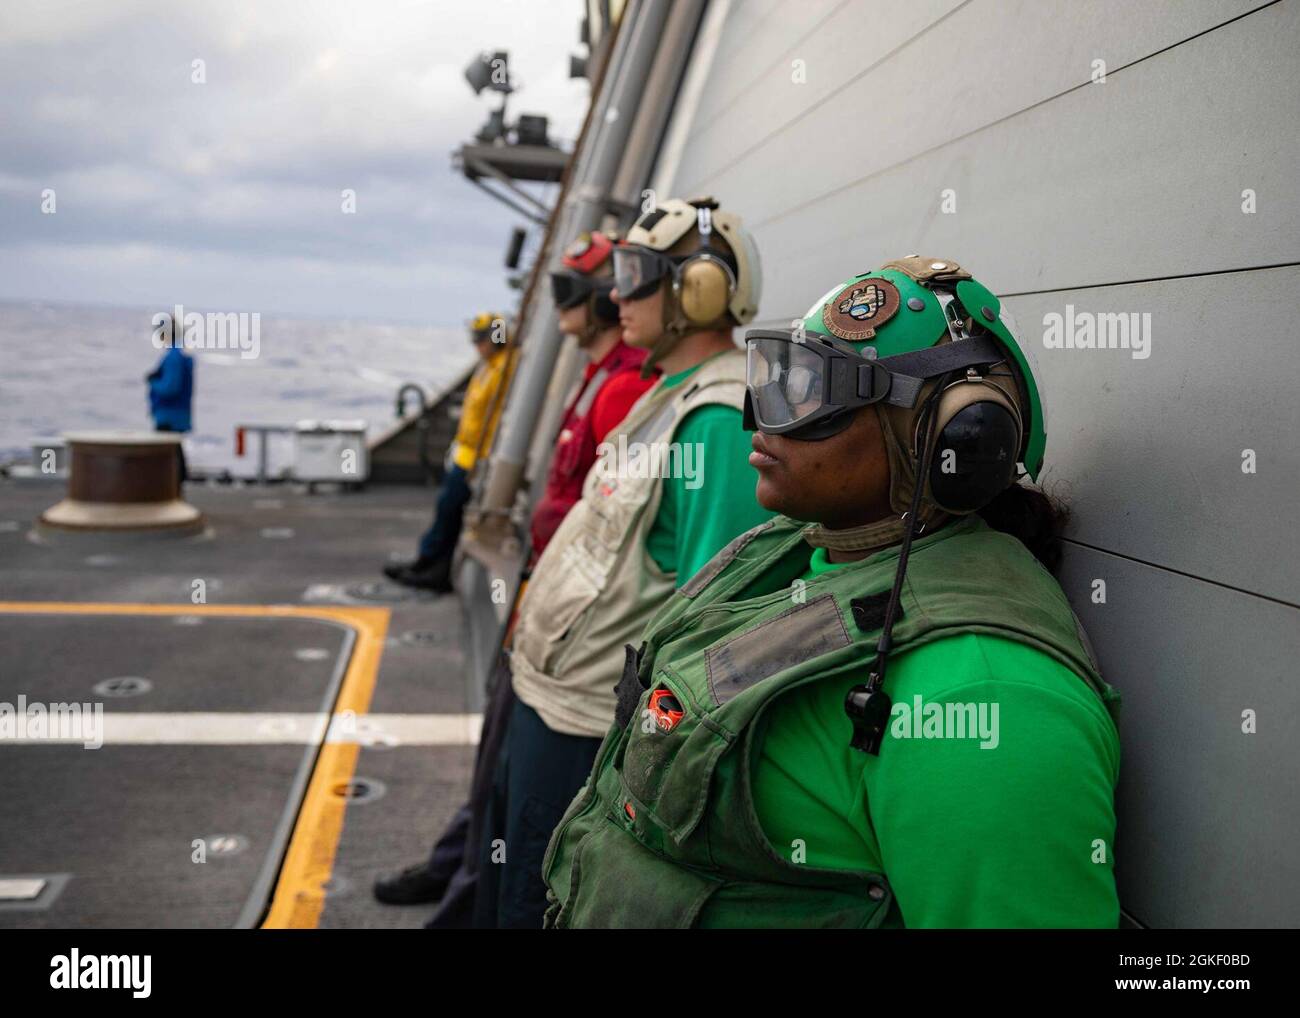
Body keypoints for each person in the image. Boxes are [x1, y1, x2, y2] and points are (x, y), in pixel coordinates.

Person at [542, 256, 1124, 929]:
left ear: (948, 443)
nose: (761, 421)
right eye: (779, 379)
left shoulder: (986, 701)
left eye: (813, 392)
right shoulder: (794, 554)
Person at [472, 196, 773, 929]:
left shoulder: (714, 418)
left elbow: (714, 617)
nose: (616, 294)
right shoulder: (668, 396)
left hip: (588, 724)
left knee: (538, 905)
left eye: (636, 274)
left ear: (697, 289)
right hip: (554, 697)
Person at [371, 231, 655, 913]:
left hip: (566, 620)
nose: (568, 302)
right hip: (542, 595)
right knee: (494, 767)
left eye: (568, 291)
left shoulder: (620, 390)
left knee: (507, 774)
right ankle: (456, 870)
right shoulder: (598, 378)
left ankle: (463, 887)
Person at [385, 313, 514, 592]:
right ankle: (426, 562)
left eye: (481, 339)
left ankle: (435, 568)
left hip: (477, 460)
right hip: (464, 454)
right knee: (447, 510)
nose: (476, 345)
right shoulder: (488, 367)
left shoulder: (503, 368)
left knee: (450, 511)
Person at [146, 341, 194, 482]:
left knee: (166, 457)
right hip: (179, 413)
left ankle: (170, 491)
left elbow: (170, 387)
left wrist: (153, 381)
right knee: (175, 454)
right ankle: (175, 492)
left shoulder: (173, 357)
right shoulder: (183, 356)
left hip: (168, 414)